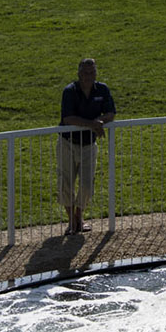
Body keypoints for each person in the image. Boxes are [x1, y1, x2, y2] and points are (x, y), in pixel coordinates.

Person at [57, 57, 116, 237]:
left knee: (86, 184)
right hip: (68, 143)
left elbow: (111, 113)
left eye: (91, 72)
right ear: (79, 73)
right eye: (85, 73)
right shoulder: (70, 91)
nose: (88, 76)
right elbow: (68, 119)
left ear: (96, 73)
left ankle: (79, 215)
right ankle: (72, 222)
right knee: (66, 183)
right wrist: (94, 124)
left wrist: (100, 121)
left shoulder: (102, 89)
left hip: (89, 145)